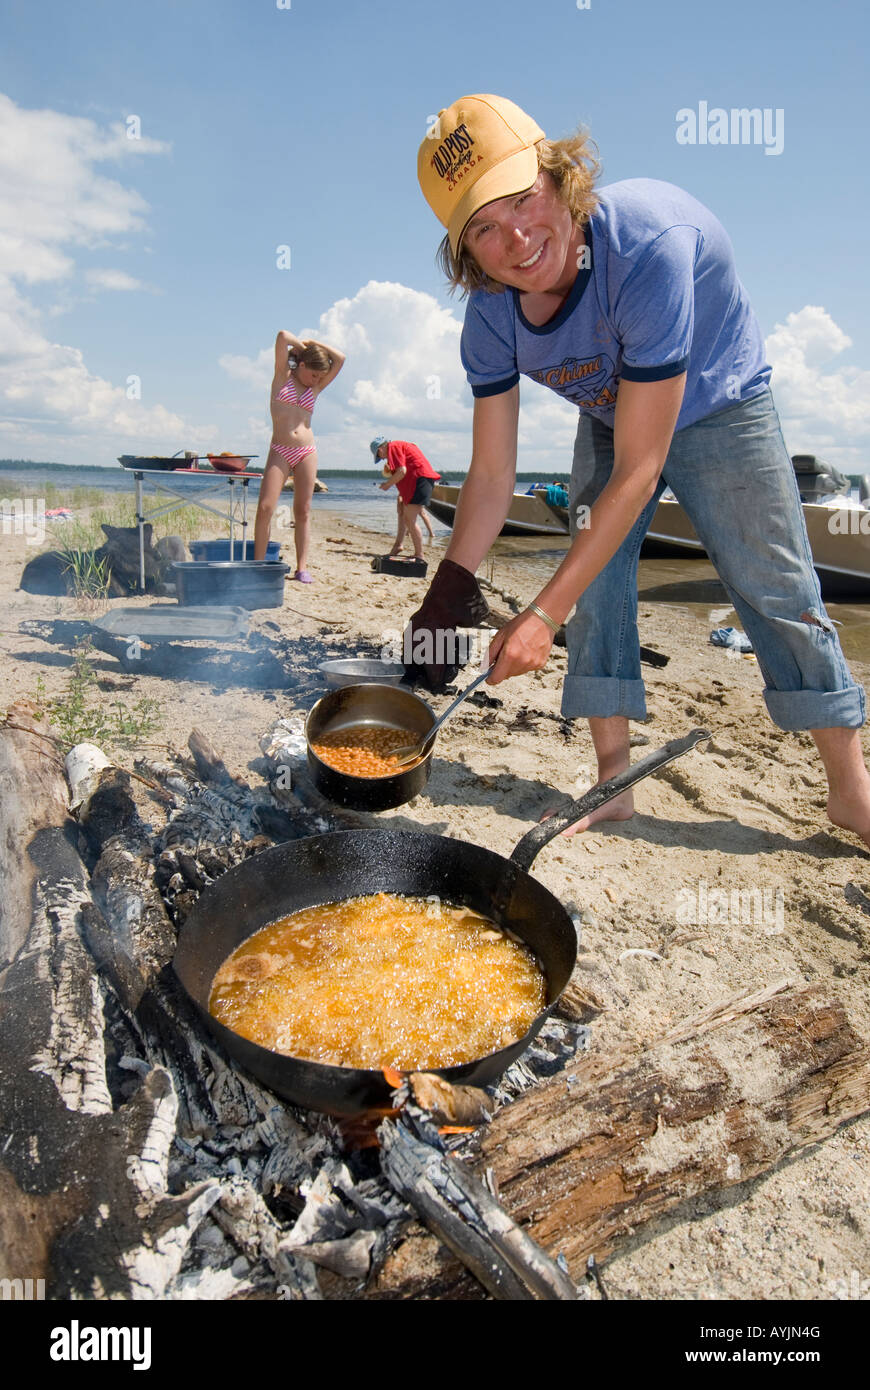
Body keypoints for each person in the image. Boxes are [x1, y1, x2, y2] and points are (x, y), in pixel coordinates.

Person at [408, 93, 870, 846]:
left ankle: (852, 792)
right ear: (466, 255)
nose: (517, 239)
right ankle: (613, 783)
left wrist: (539, 616)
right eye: (483, 228)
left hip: (721, 399)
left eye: (523, 199)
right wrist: (447, 590)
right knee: (597, 585)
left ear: (561, 178)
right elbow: (492, 475)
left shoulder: (649, 245)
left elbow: (640, 468)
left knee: (774, 582)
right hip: (612, 410)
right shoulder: (492, 314)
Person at [254, 331, 345, 581]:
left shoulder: (315, 387)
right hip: (280, 449)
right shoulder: (281, 376)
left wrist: (316, 344)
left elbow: (341, 358)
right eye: (314, 373)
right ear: (302, 365)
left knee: (303, 510)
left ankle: (301, 567)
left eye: (320, 377)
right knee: (265, 507)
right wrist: (304, 346)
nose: (317, 379)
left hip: (306, 451)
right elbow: (283, 336)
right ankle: (258, 565)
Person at [370, 437, 441, 562]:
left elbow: (402, 471)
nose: (383, 459)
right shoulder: (399, 446)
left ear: (381, 449)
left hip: (420, 481)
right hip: (416, 482)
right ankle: (399, 545)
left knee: (410, 519)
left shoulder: (393, 447)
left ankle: (419, 555)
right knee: (403, 513)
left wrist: (387, 484)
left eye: (380, 456)